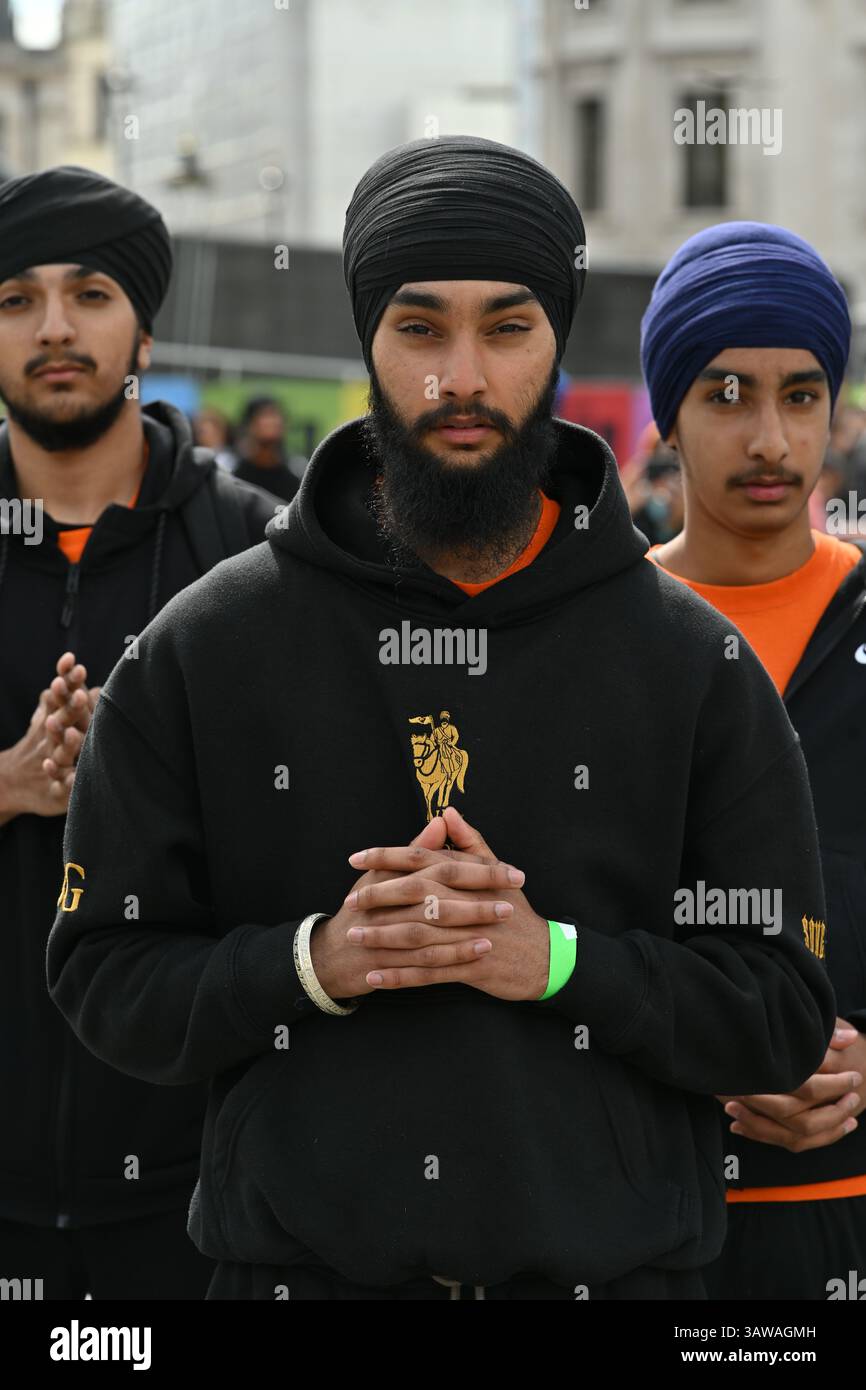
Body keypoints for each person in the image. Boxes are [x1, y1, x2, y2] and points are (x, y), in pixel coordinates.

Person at [48, 137, 834, 1301]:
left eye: (506, 328)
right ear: (365, 340)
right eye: (419, 328)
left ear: (556, 342)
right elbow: (104, 973)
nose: (459, 378)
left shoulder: (690, 660)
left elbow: (777, 1008)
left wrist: (556, 961)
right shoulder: (206, 646)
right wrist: (311, 961)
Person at [0, 165, 282, 1299]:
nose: (54, 327)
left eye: (90, 294)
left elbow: (332, 831)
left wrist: (152, 785)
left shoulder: (254, 552)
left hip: (193, 1190)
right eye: (15, 298)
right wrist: (12, 783)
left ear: (144, 328)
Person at [640, 220, 866, 1299]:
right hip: (638, 1219)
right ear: (667, 418)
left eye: (800, 393)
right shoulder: (590, 640)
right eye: (725, 393)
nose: (770, 439)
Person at [232, 396, 303, 502]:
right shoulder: (236, 478)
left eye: (276, 415)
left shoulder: (295, 473)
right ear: (250, 425)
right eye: (266, 415)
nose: (274, 422)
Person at [193, 405, 237, 472]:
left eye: (206, 432)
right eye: (200, 432)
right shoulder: (194, 458)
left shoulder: (231, 459)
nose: (203, 437)